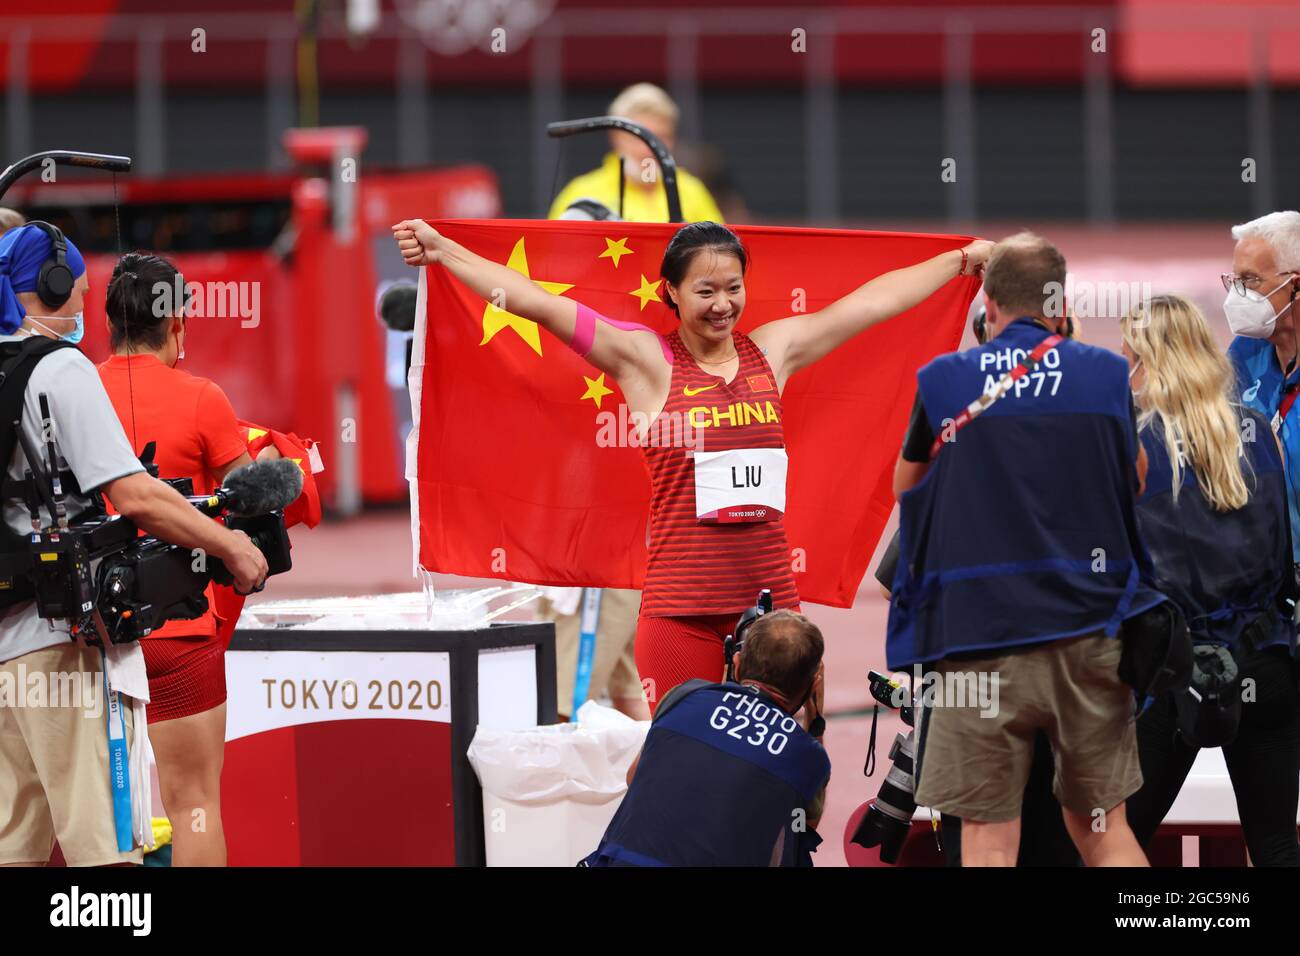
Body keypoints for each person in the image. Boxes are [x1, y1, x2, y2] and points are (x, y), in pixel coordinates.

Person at [393, 217, 992, 710]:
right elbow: (538, 304)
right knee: (683, 767)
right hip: (681, 613)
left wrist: (961, 261)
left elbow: (870, 304)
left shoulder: (774, 351)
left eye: (733, 287)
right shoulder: (643, 362)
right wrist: (446, 252)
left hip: (771, 613)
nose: (722, 304)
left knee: (785, 775)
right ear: (671, 294)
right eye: (705, 291)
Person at [888, 232, 1163, 867]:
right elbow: (1138, 478)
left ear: (987, 304)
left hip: (981, 637)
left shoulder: (947, 380)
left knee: (988, 835)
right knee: (1102, 829)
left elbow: (909, 488)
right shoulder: (1106, 374)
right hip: (1090, 633)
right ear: (1060, 304)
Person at [0, 224, 266, 867]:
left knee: (16, 844)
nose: (83, 307)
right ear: (53, 286)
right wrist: (230, 545)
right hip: (61, 642)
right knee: (108, 849)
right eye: (77, 292)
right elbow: (138, 495)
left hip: (6, 648)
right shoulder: (60, 368)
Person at [95, 252, 267, 867]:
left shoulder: (75, 394)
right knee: (194, 803)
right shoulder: (204, 399)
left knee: (96, 816)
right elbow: (251, 506)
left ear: (110, 322)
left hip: (89, 635)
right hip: (178, 632)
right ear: (176, 325)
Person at [1119, 294, 1300, 866]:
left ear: (1152, 364)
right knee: (1274, 840)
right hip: (1264, 660)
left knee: (1114, 840)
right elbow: (1281, 549)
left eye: (1131, 361)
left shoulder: (1132, 445)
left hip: (1172, 669)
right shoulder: (1255, 428)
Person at [581, 609, 829, 866]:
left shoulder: (683, 695)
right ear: (812, 687)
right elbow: (805, 825)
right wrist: (815, 722)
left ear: (737, 663)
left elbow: (634, 776)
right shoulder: (807, 754)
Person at [1225, 211, 1300, 562]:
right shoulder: (1244, 352)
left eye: (1250, 280)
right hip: (1266, 571)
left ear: (1296, 285)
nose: (1237, 295)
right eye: (1234, 280)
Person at [547, 83, 724, 224]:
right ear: (615, 137)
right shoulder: (582, 192)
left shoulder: (692, 191)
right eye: (639, 137)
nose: (649, 148)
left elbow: (720, 253)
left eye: (661, 137)